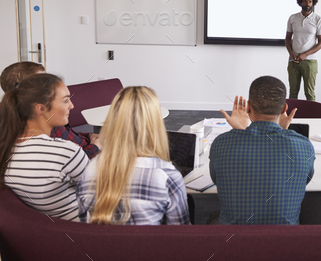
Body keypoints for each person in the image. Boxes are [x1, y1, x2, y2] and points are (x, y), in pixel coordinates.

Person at [77, 86, 190, 225]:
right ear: (155, 124)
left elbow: (84, 223)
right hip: (149, 246)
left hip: (99, 246)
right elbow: (179, 234)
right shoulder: (167, 175)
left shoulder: (89, 169)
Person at [210, 75, 314, 225]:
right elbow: (305, 180)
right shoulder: (304, 145)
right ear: (284, 108)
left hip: (234, 243)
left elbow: (217, 180)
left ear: (249, 107)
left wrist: (240, 131)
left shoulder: (221, 143)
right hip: (286, 242)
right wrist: (282, 131)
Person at [0, 73, 89, 221]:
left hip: (47, 232)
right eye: (66, 100)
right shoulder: (65, 152)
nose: (71, 106)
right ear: (41, 109)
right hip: (88, 231)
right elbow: (104, 195)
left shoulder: (6, 147)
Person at [1, 61, 101, 159]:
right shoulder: (42, 123)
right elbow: (71, 159)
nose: (49, 83)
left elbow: (68, 135)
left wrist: (89, 136)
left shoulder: (48, 115)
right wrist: (96, 147)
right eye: (42, 81)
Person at [285, 0, 321, 101]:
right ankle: (291, 118)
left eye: (310, 2)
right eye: (305, 1)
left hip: (310, 61)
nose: (308, 4)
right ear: (300, 2)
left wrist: (305, 54)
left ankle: (312, 118)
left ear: (313, 3)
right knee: (293, 92)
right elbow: (287, 39)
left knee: (309, 93)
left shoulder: (318, 19)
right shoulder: (293, 18)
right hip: (293, 61)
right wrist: (291, 54)